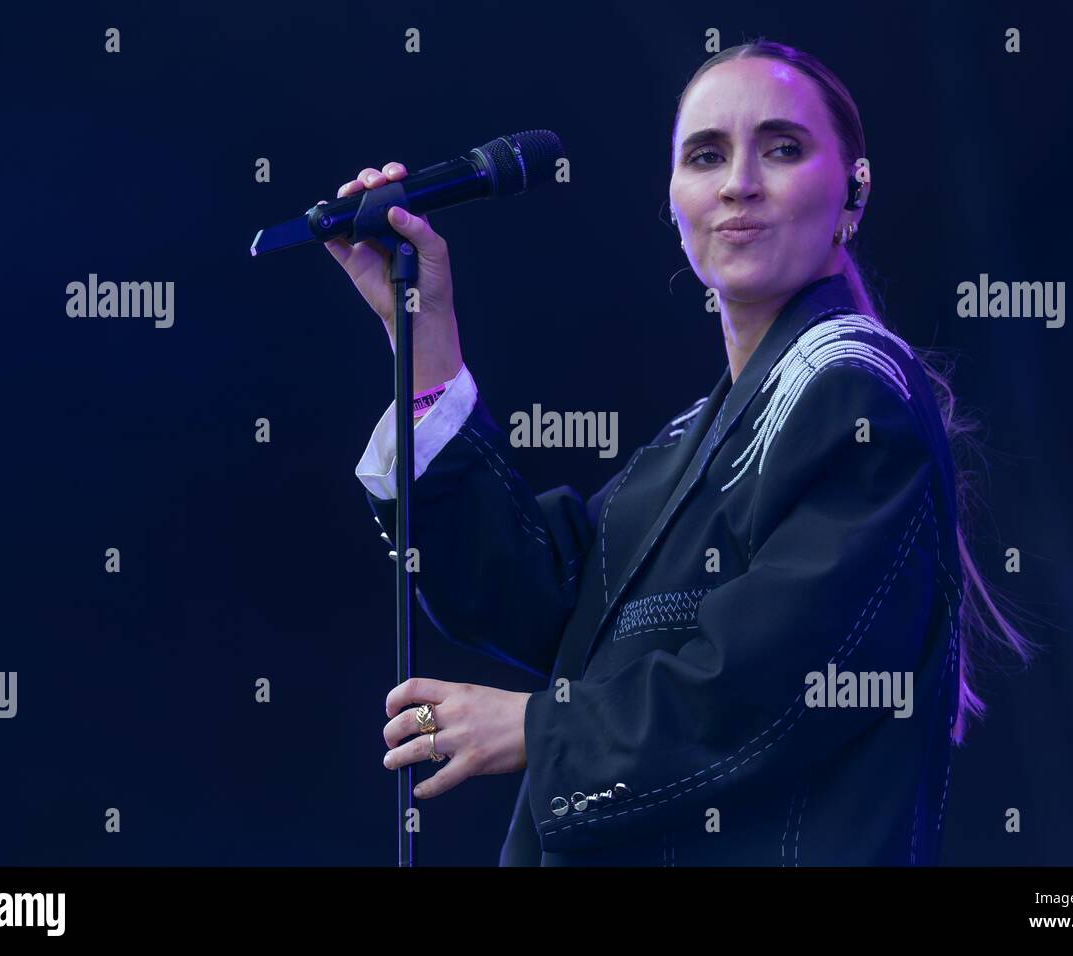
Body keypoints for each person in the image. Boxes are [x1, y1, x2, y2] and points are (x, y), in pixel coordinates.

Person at [327, 39, 1033, 865]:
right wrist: (423, 333)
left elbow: (773, 684)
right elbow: (541, 601)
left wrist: (534, 726)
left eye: (782, 148)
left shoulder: (853, 387)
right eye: (707, 155)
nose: (739, 181)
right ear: (673, 202)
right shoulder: (692, 440)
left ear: (854, 191)